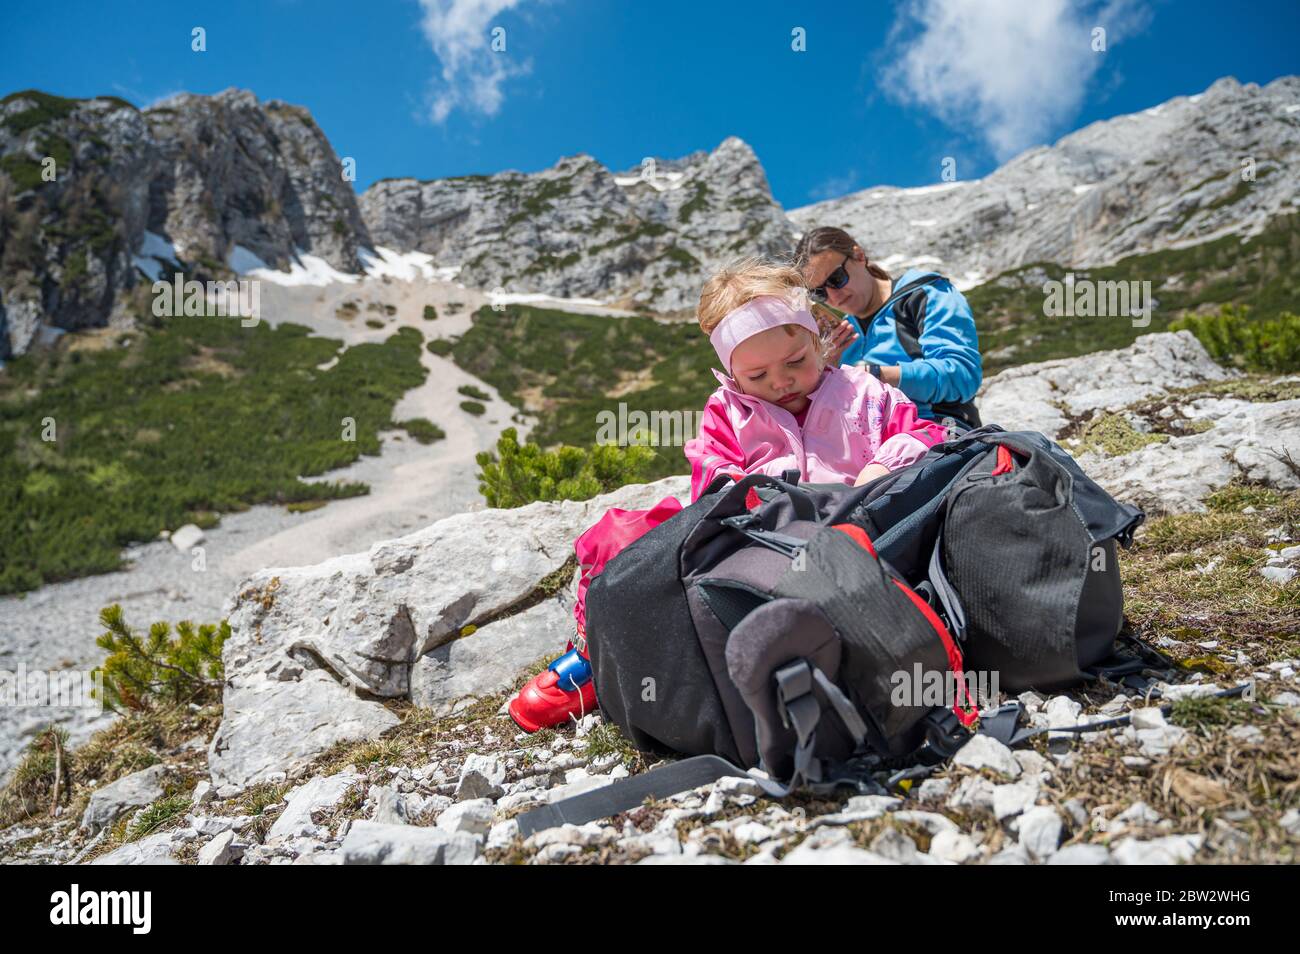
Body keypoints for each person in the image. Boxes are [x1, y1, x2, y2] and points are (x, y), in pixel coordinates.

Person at [683, 258, 948, 501]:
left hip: (865, 519)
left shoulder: (862, 391)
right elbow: (712, 472)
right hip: (771, 533)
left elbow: (926, 434)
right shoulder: (727, 411)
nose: (781, 382)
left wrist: (883, 466)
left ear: (818, 346)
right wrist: (748, 499)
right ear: (733, 374)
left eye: (796, 361)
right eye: (757, 375)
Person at [793, 227, 983, 432]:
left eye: (837, 279)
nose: (834, 297)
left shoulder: (923, 294)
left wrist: (875, 375)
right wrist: (827, 369)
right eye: (819, 293)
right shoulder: (841, 338)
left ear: (859, 256)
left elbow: (962, 376)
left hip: (936, 427)